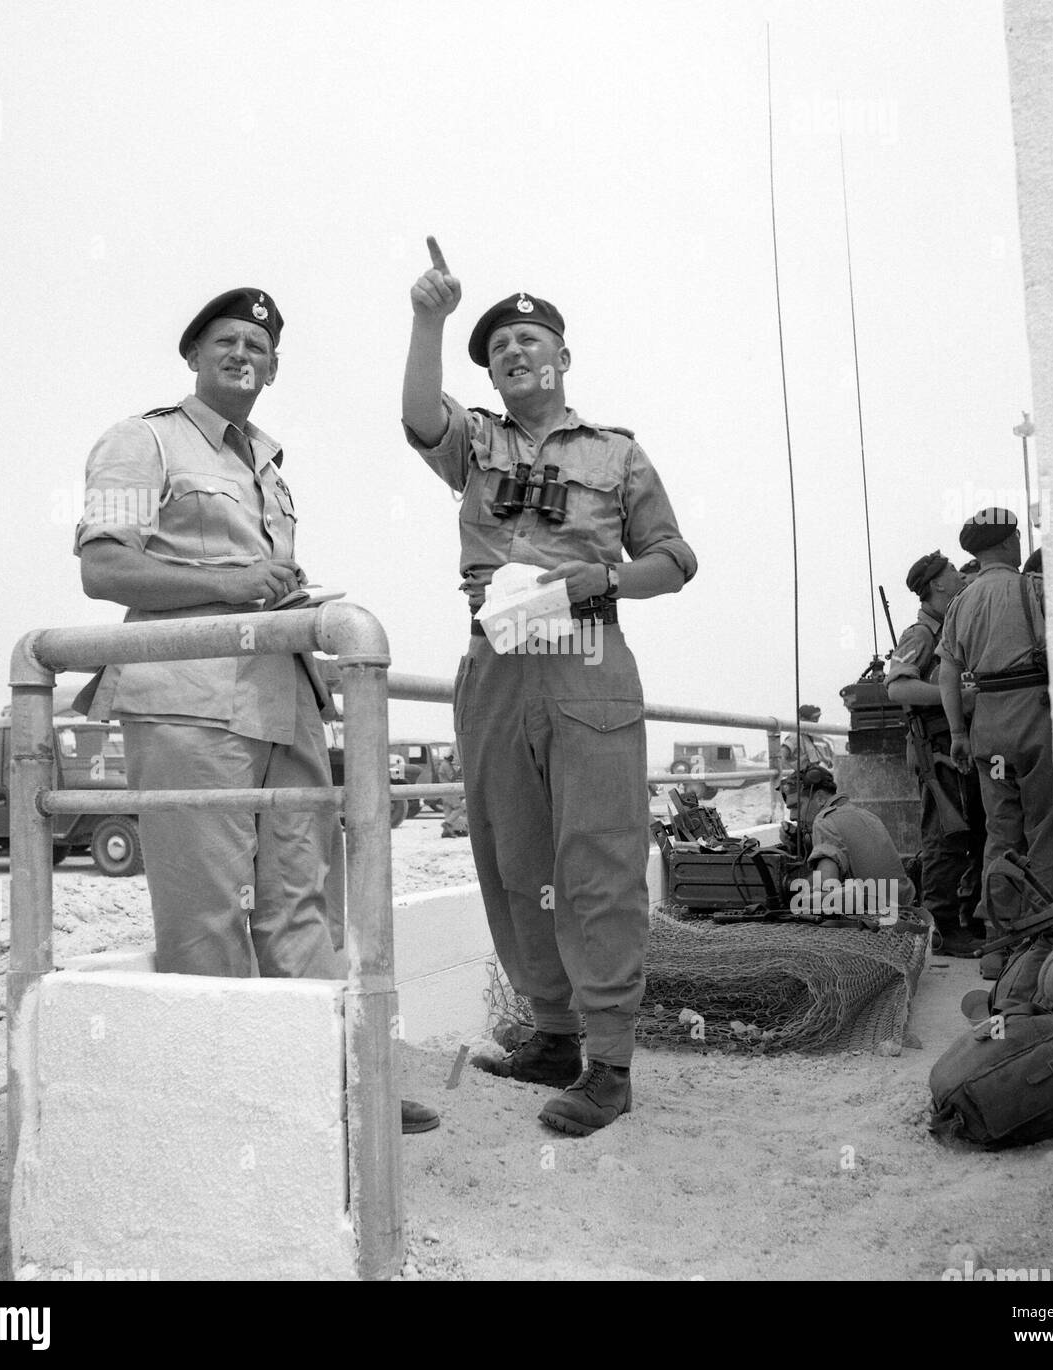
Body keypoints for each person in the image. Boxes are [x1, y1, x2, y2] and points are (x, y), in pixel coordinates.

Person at [75, 287, 437, 1134]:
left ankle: (342, 1086)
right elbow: (104, 569)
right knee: (202, 911)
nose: (245, 355)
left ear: (273, 369)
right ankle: (230, 1109)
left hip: (286, 698)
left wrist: (280, 595)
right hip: (189, 703)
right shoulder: (144, 440)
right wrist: (232, 589)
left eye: (261, 348)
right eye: (228, 341)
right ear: (193, 354)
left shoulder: (267, 466)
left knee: (306, 904)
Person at [402, 238, 697, 1137]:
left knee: (597, 862)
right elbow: (418, 415)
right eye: (496, 350)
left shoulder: (618, 452)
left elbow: (675, 559)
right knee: (513, 860)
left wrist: (596, 582)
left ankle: (609, 1065)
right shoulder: (475, 442)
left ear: (562, 358)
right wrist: (429, 319)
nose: (513, 355)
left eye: (529, 342)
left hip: (584, 656)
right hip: (497, 662)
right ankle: (556, 1035)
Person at [937, 507, 1053, 974]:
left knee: (999, 832)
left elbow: (949, 673)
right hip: (1033, 716)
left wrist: (959, 734)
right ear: (1009, 542)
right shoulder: (1034, 589)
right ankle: (1043, 942)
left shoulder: (961, 603)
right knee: (1044, 829)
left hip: (987, 724)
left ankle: (996, 944)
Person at [885, 550, 987, 956]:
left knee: (969, 830)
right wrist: (956, 699)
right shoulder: (923, 634)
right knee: (944, 835)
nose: (959, 575)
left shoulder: (951, 625)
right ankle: (942, 924)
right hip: (936, 746)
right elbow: (897, 686)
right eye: (951, 572)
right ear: (938, 584)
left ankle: (961, 915)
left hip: (952, 743)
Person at [778, 766, 917, 921]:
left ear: (820, 798)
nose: (792, 816)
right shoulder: (867, 815)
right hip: (909, 914)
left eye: (797, 806)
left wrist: (792, 892)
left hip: (879, 925)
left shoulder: (824, 821)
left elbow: (827, 885)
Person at [781, 705, 835, 774]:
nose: (816, 721)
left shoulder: (809, 738)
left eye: (817, 718)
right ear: (802, 719)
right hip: (801, 778)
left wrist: (824, 759)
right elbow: (781, 757)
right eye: (813, 719)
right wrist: (793, 773)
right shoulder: (795, 737)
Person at [436, 746, 468, 838]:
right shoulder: (446, 765)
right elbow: (452, 777)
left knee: (448, 812)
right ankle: (447, 823)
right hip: (448, 790)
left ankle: (448, 831)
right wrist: (460, 770)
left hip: (444, 791)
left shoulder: (443, 764)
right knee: (459, 808)